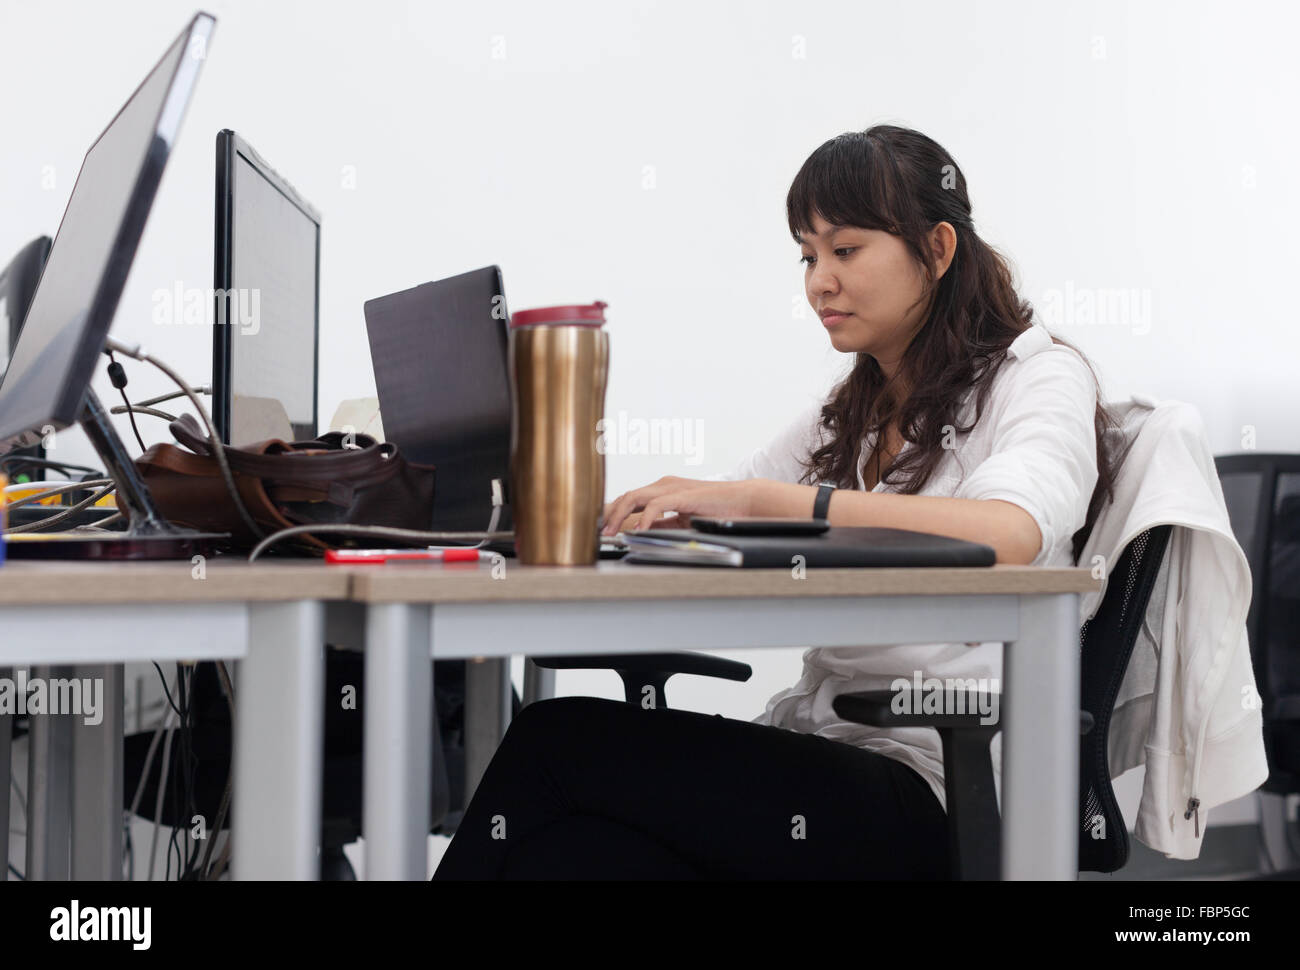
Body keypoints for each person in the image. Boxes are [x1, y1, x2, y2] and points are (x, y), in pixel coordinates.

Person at [432, 124, 1118, 880]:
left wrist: (776, 499)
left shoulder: (1039, 377)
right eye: (807, 255)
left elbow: (1009, 533)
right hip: (832, 753)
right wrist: (659, 509)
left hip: (940, 787)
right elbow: (732, 501)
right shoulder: (858, 403)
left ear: (939, 249)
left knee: (553, 741)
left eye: (845, 250)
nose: (818, 281)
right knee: (574, 854)